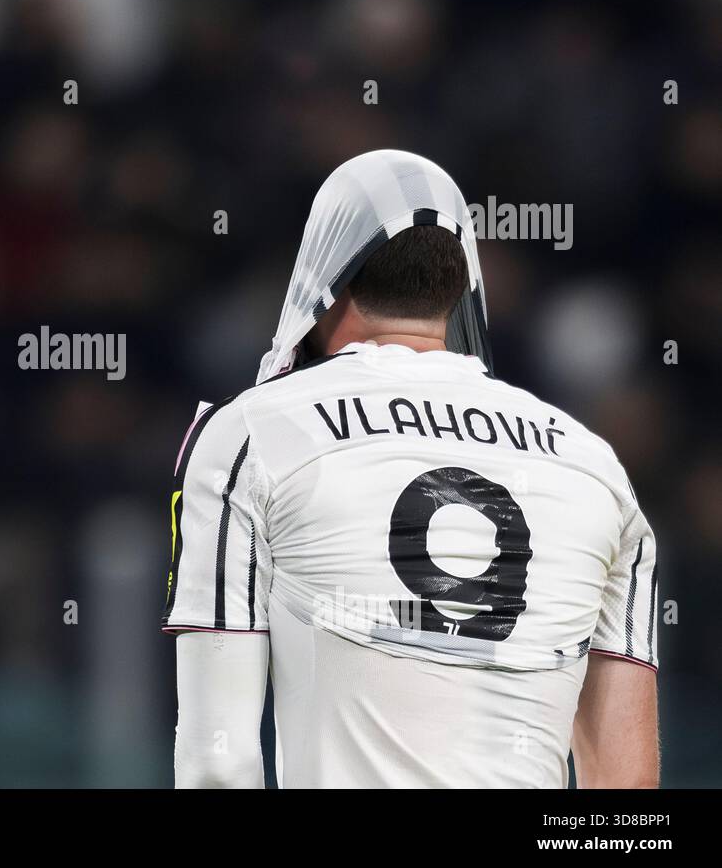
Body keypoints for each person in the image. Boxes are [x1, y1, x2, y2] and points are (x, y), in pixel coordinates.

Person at [163, 150, 659, 788]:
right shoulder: (595, 467)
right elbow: (624, 797)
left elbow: (218, 763)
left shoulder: (254, 433)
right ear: (458, 288)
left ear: (323, 276)